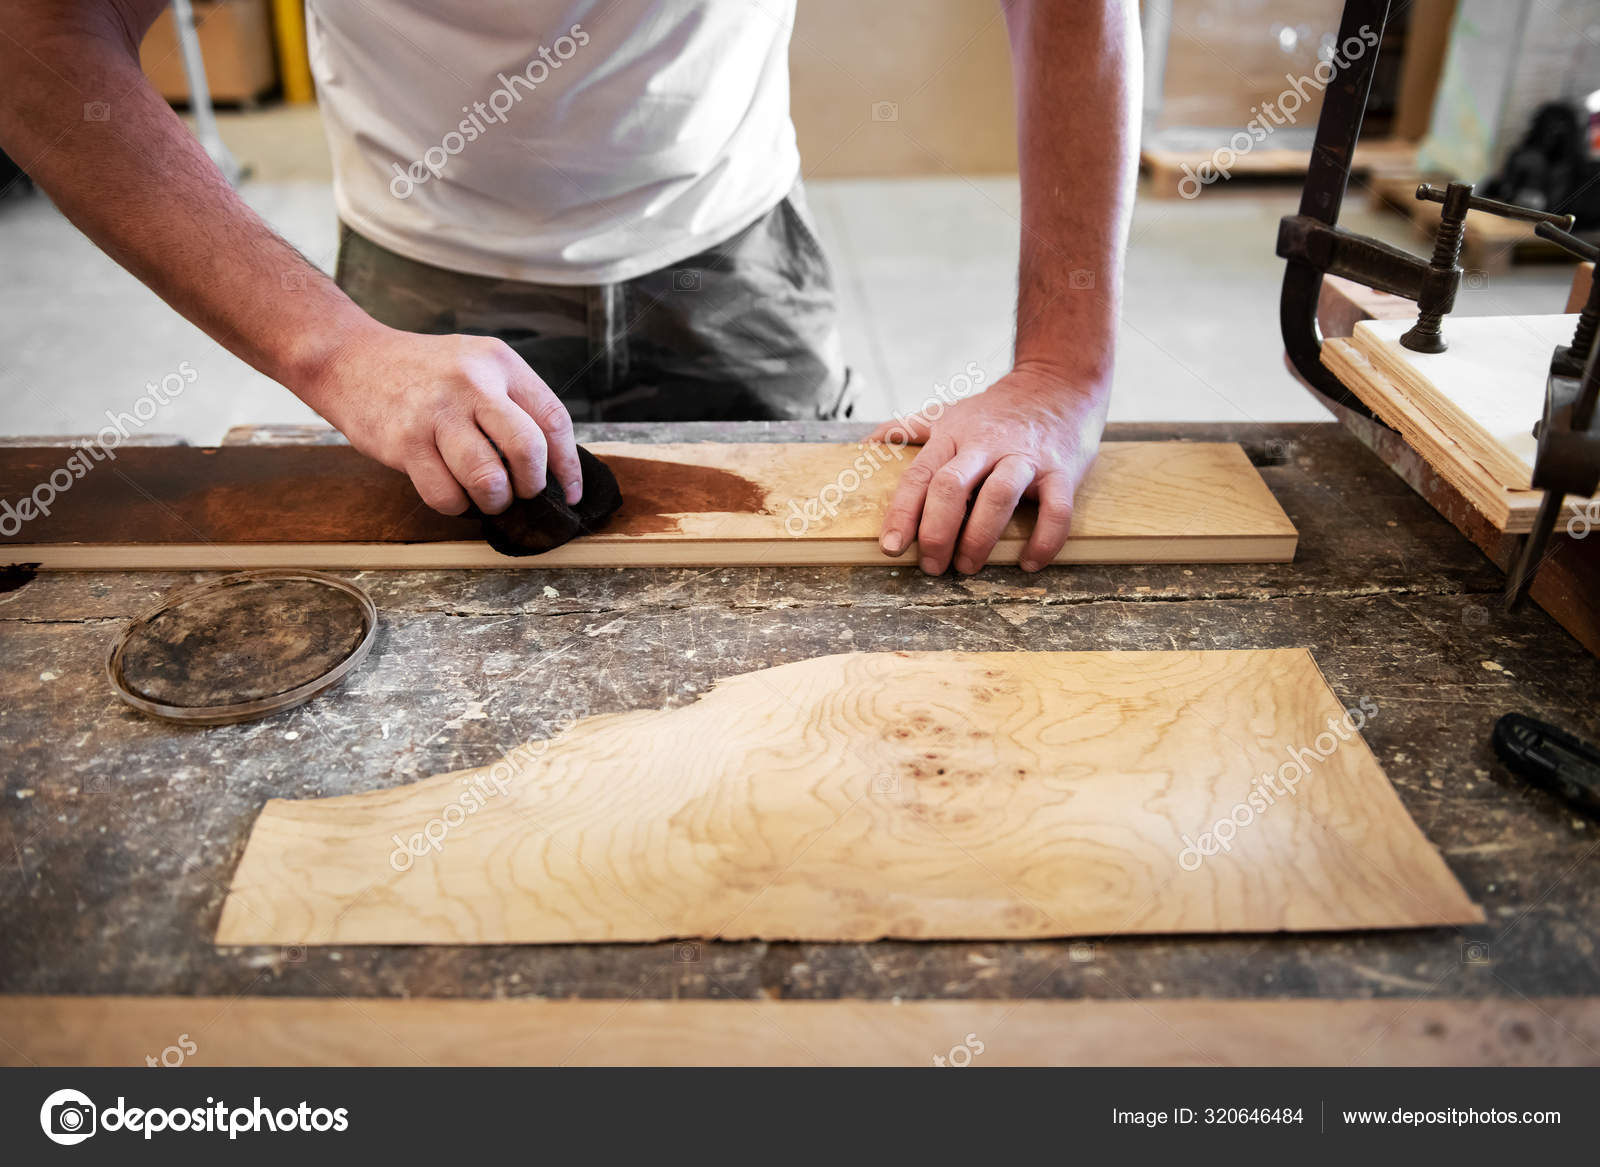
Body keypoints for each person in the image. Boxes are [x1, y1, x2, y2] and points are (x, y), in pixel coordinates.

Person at [0, 1, 1138, 574]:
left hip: (734, 247)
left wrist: (1056, 367)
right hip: (414, 283)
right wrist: (333, 351)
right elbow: (40, 34)